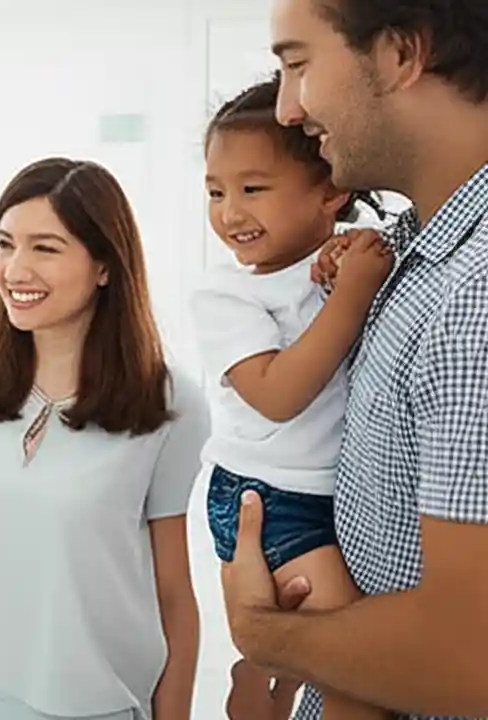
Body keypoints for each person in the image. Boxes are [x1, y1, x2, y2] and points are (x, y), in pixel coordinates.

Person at [220, 0, 488, 718]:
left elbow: (473, 653)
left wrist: (263, 633)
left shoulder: (475, 296)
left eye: (297, 65)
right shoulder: (406, 247)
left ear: (402, 55)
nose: (284, 110)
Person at [0, 157, 208, 720]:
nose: (14, 269)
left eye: (45, 248)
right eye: (5, 243)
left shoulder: (167, 402)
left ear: (105, 264)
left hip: (87, 703)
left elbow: (173, 594)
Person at [191, 75, 393, 720]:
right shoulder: (228, 296)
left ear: (331, 191)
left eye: (253, 189)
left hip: (323, 489)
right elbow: (278, 395)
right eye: (216, 191)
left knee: (322, 651)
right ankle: (262, 685)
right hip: (265, 497)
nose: (230, 212)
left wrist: (347, 270)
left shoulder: (333, 265)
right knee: (357, 667)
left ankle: (259, 685)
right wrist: (355, 292)